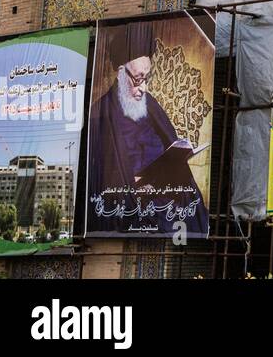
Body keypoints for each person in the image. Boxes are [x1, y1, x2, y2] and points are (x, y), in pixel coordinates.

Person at [86, 23, 209, 236]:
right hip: (133, 210)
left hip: (170, 201)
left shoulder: (150, 105)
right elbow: (97, 180)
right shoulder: (100, 115)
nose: (144, 88)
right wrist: (136, 187)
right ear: (120, 73)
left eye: (147, 78)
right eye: (138, 79)